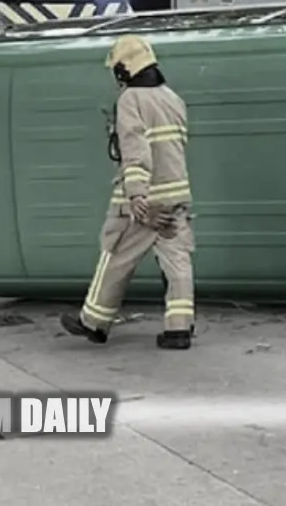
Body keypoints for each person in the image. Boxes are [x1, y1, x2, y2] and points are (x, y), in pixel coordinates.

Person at [61, 34, 196, 348]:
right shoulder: (173, 98)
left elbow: (136, 150)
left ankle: (93, 321)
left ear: (125, 70)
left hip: (142, 204)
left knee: (116, 256)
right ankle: (179, 328)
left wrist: (137, 196)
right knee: (177, 262)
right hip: (176, 197)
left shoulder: (130, 100)